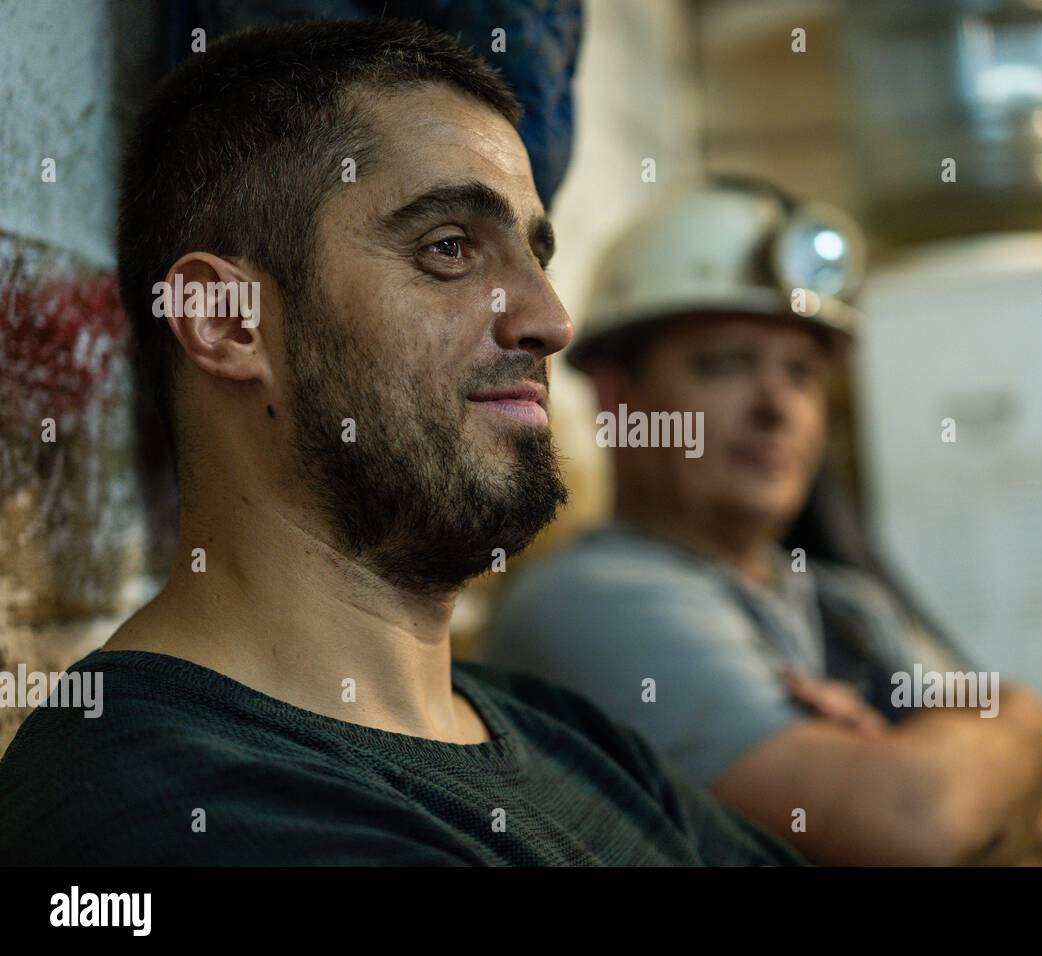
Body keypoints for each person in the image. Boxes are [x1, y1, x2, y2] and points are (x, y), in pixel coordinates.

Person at [0, 22, 803, 867]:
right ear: (225, 321)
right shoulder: (161, 808)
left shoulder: (572, 739)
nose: (550, 321)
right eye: (450, 249)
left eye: (536, 255)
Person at [482, 179, 1042, 866]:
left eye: (802, 373)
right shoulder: (589, 601)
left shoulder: (845, 604)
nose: (776, 406)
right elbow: (917, 827)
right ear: (615, 395)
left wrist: (932, 769)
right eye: (726, 363)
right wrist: (1026, 717)